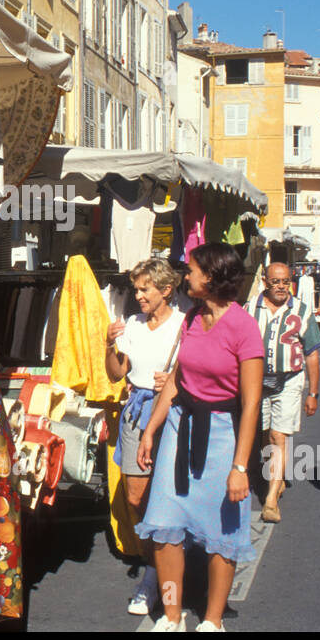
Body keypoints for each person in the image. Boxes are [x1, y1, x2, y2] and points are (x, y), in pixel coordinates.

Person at [135, 243, 265, 632]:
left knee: (221, 530)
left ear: (210, 277)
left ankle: (212, 620)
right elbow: (176, 378)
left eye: (190, 270)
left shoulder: (244, 327)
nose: (185, 275)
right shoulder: (191, 318)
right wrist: (151, 429)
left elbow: (252, 403)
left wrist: (241, 467)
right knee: (164, 523)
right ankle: (172, 615)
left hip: (224, 432)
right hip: (179, 424)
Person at [105, 258, 186, 616]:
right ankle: (157, 564)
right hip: (135, 411)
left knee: (164, 494)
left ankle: (156, 577)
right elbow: (116, 374)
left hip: (169, 413)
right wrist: (109, 347)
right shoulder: (134, 325)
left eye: (144, 289)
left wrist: (173, 382)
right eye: (135, 289)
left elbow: (198, 373)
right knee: (136, 495)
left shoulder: (185, 326)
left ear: (166, 290)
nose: (137, 295)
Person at [245, 262, 320, 523]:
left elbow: (311, 353)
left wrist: (314, 392)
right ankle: (276, 479)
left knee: (279, 435)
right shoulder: (250, 309)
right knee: (265, 434)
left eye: (285, 281)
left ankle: (270, 499)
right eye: (276, 281)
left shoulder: (301, 310)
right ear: (265, 281)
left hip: (289, 380)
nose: (281, 286)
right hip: (258, 382)